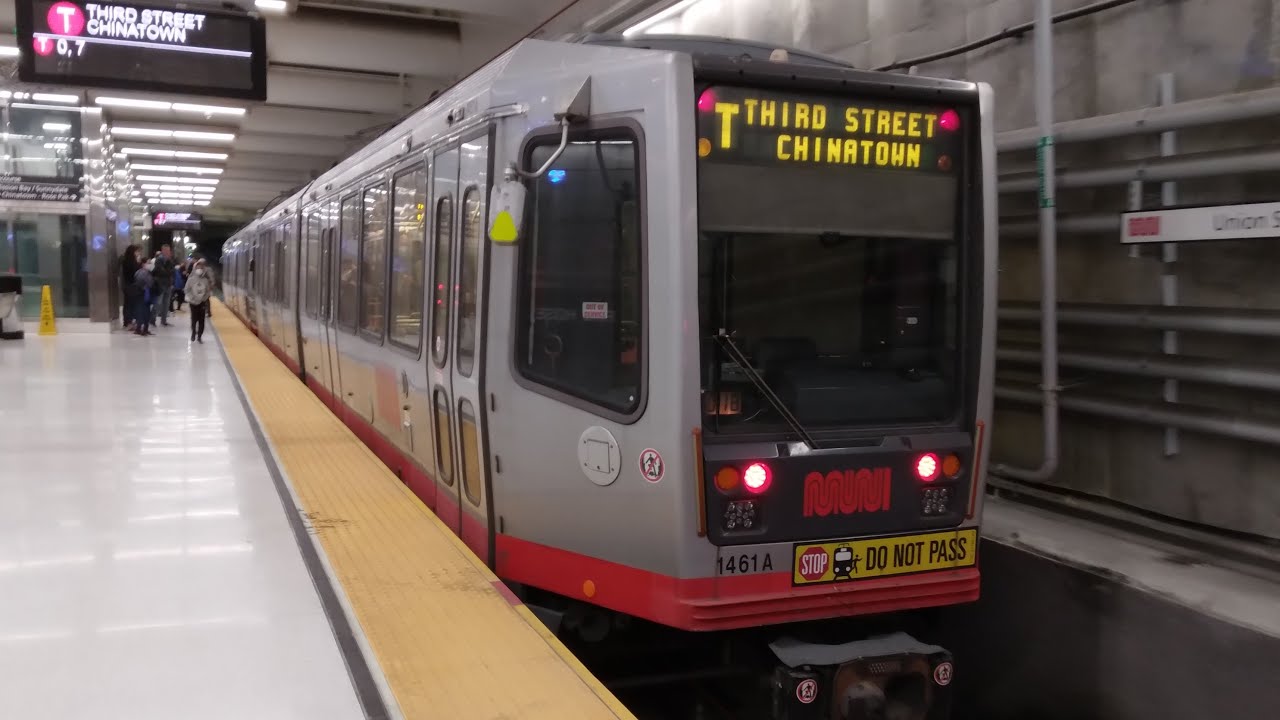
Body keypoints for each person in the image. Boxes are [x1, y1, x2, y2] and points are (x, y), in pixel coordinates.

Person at [185, 258, 213, 343]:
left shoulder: (205, 281)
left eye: (201, 268)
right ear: (195, 269)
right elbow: (187, 290)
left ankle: (199, 336)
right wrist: (192, 298)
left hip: (202, 303)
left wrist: (204, 299)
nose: (199, 270)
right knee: (194, 319)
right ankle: (193, 333)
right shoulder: (190, 280)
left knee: (202, 320)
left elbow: (208, 291)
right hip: (193, 303)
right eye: (198, 268)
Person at [152, 245, 175, 327]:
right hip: (160, 284)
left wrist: (168, 272)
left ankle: (164, 320)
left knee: (166, 303)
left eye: (169, 250)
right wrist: (168, 272)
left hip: (168, 284)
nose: (168, 252)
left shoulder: (170, 260)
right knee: (158, 302)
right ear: (163, 250)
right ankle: (152, 319)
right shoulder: (159, 259)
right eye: (166, 250)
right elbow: (161, 271)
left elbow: (172, 271)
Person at [119, 244, 140, 330]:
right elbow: (133, 272)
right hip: (130, 285)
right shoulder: (129, 262)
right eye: (137, 251)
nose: (138, 253)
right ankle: (128, 322)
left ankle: (128, 321)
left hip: (128, 285)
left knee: (129, 304)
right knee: (130, 304)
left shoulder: (127, 260)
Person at [133, 257, 155, 336]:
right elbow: (149, 283)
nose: (150, 265)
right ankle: (142, 328)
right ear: (143, 264)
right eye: (148, 263)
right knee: (144, 312)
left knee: (144, 311)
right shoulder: (143, 273)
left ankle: (142, 328)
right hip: (143, 294)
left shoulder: (142, 272)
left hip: (143, 294)